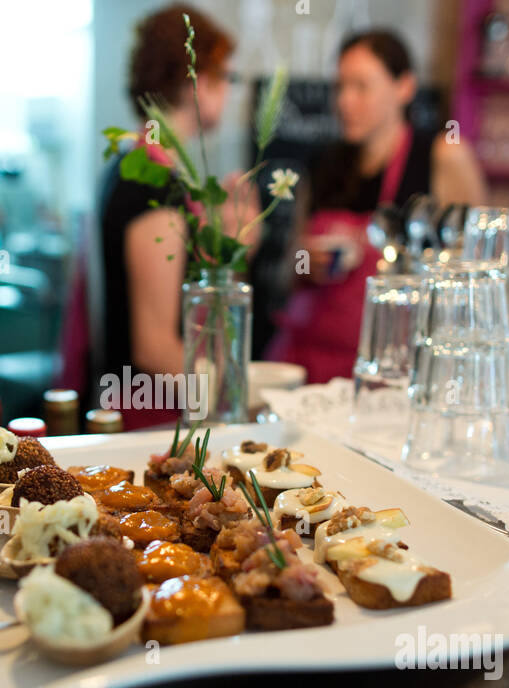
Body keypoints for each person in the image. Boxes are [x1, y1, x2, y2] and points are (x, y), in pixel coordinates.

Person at [266, 30, 487, 383]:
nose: (345, 101)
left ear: (404, 87)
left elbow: (476, 273)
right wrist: (308, 263)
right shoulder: (323, 163)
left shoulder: (443, 156)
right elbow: (289, 268)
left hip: (399, 367)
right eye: (340, 87)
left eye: (361, 87)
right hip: (311, 359)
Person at [98, 4, 258, 428]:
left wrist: (229, 241)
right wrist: (233, 401)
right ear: (198, 83)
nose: (226, 90)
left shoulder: (141, 167)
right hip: (149, 419)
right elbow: (153, 348)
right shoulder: (152, 188)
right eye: (225, 77)